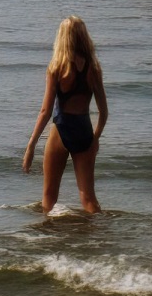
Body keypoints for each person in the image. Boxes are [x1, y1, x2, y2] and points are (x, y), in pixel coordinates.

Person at [22, 15, 109, 214]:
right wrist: (95, 138)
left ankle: (47, 237)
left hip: (61, 130)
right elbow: (104, 112)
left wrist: (31, 146)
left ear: (62, 38)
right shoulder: (93, 69)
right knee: (88, 197)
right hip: (84, 130)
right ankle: (100, 236)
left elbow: (45, 112)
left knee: (49, 195)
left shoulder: (56, 68)